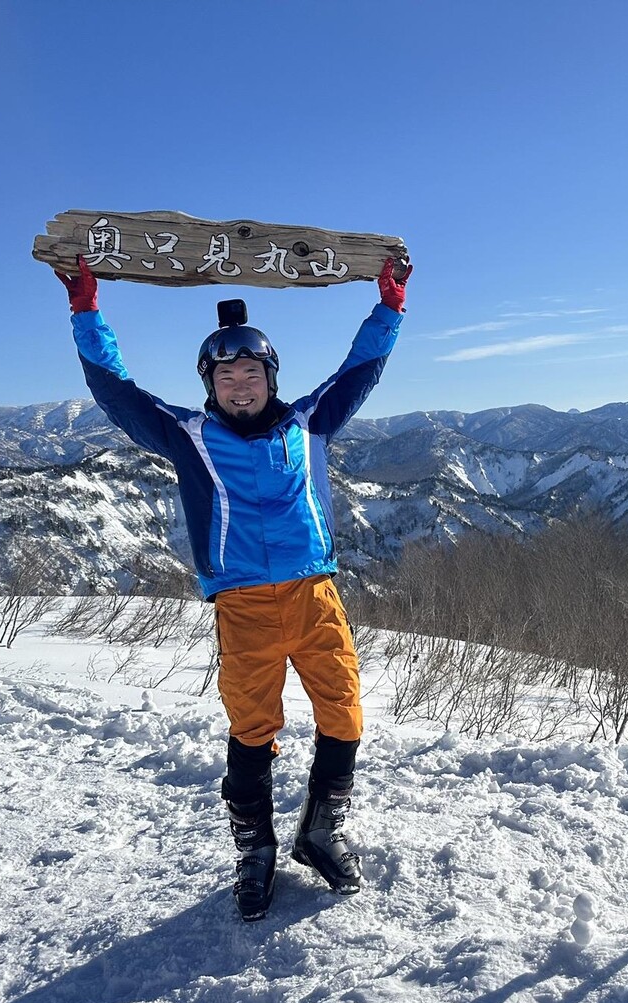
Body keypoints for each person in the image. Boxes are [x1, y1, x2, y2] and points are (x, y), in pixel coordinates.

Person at [54, 255, 409, 920]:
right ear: (208, 384)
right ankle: (254, 849)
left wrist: (388, 308)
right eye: (225, 375)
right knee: (251, 730)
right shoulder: (189, 436)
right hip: (243, 607)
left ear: (270, 376)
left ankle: (322, 830)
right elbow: (117, 393)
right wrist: (85, 313)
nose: (239, 385)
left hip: (315, 595)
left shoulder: (309, 422)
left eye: (251, 372)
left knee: (345, 713)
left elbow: (359, 371)